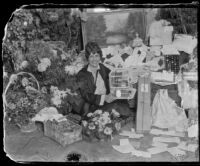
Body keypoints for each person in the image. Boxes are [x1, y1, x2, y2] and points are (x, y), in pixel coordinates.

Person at [76, 42, 132, 118]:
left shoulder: (101, 67)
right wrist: (104, 98)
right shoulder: (82, 74)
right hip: (94, 104)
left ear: (100, 56)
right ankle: (102, 116)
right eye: (91, 56)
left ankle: (109, 115)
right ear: (87, 57)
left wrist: (126, 82)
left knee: (123, 102)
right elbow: (86, 95)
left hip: (107, 100)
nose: (94, 59)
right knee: (118, 107)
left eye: (96, 56)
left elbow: (114, 76)